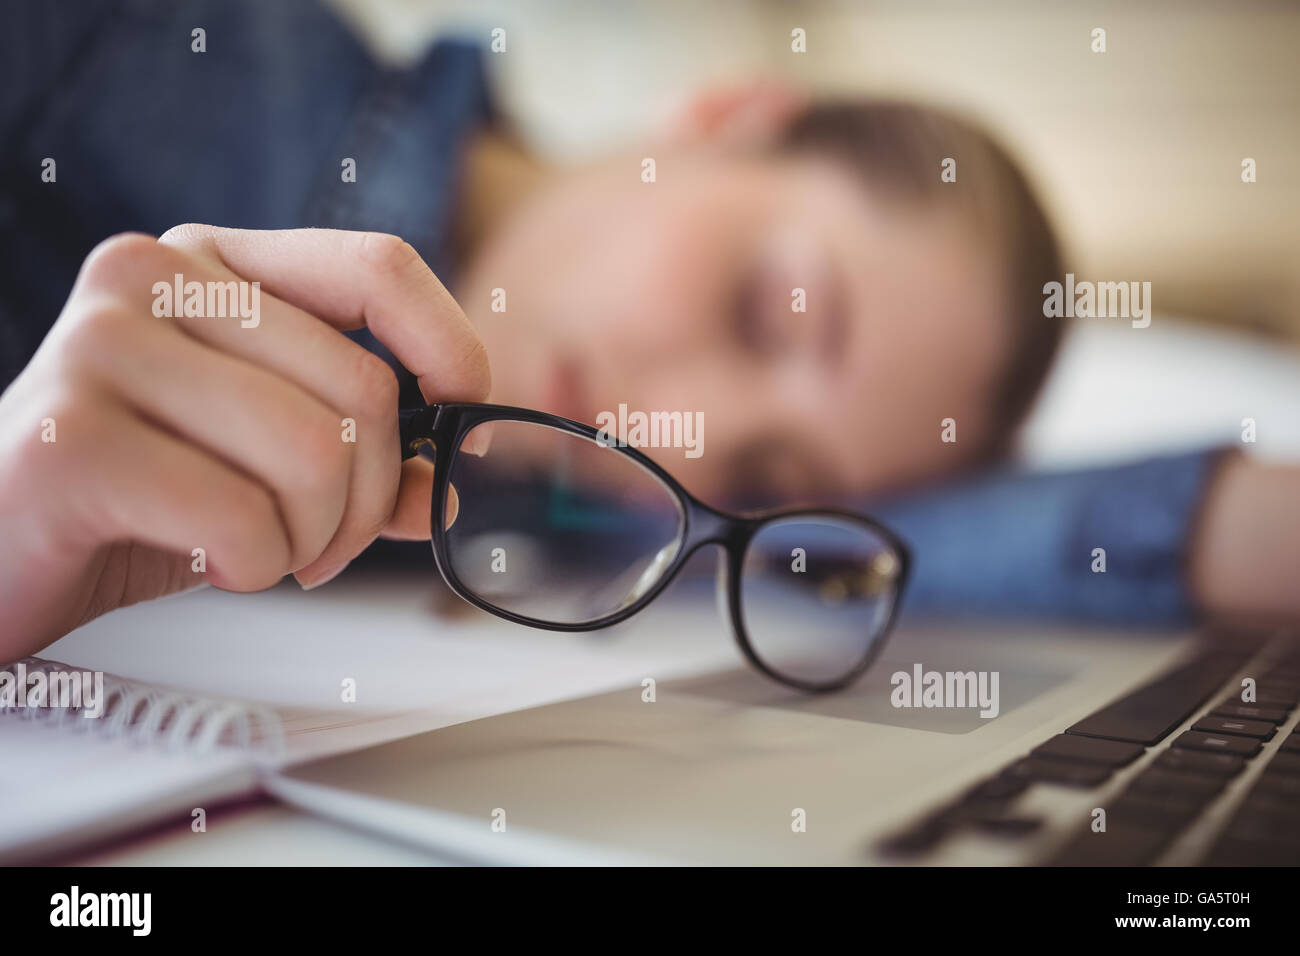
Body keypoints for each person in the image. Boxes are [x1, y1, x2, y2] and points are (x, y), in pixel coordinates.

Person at [0, 1, 1295, 661]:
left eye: (769, 472)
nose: (685, 441)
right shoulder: (135, 51)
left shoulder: (520, 506)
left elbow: (801, 554)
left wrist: (1204, 516)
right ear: (724, 111)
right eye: (765, 311)